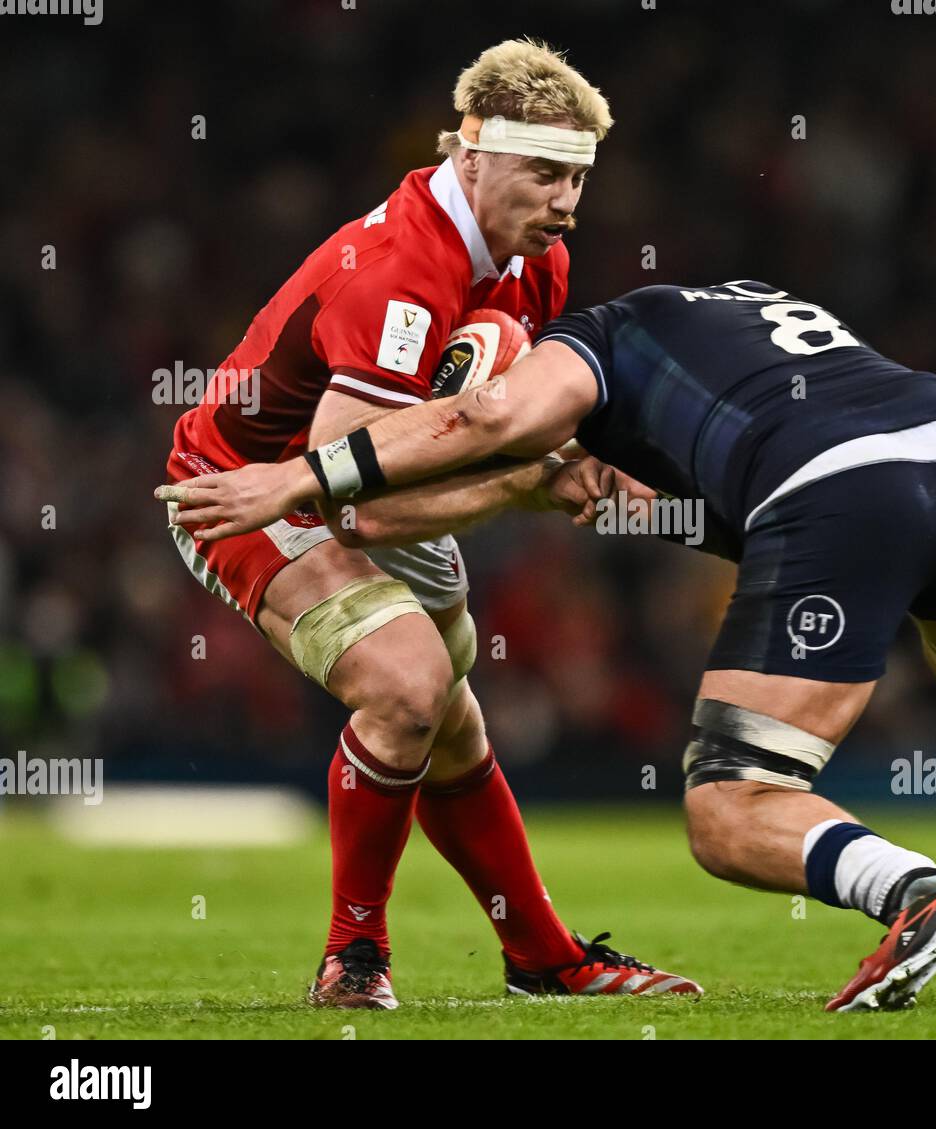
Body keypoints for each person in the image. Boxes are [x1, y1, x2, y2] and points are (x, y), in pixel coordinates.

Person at [161, 279, 936, 1011]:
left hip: (840, 485)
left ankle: (912, 891)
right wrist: (569, 490)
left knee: (728, 806)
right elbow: (741, 505)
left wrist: (315, 480)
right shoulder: (722, 308)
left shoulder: (580, 345)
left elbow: (477, 427)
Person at [157, 40, 701, 1009]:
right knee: (407, 686)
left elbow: (455, 438)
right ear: (473, 155)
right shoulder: (401, 270)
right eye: (544, 173)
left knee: (446, 726)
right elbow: (348, 501)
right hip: (247, 487)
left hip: (349, 482)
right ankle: (352, 956)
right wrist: (535, 483)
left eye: (577, 176)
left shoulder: (538, 261)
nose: (567, 201)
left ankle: (545, 958)